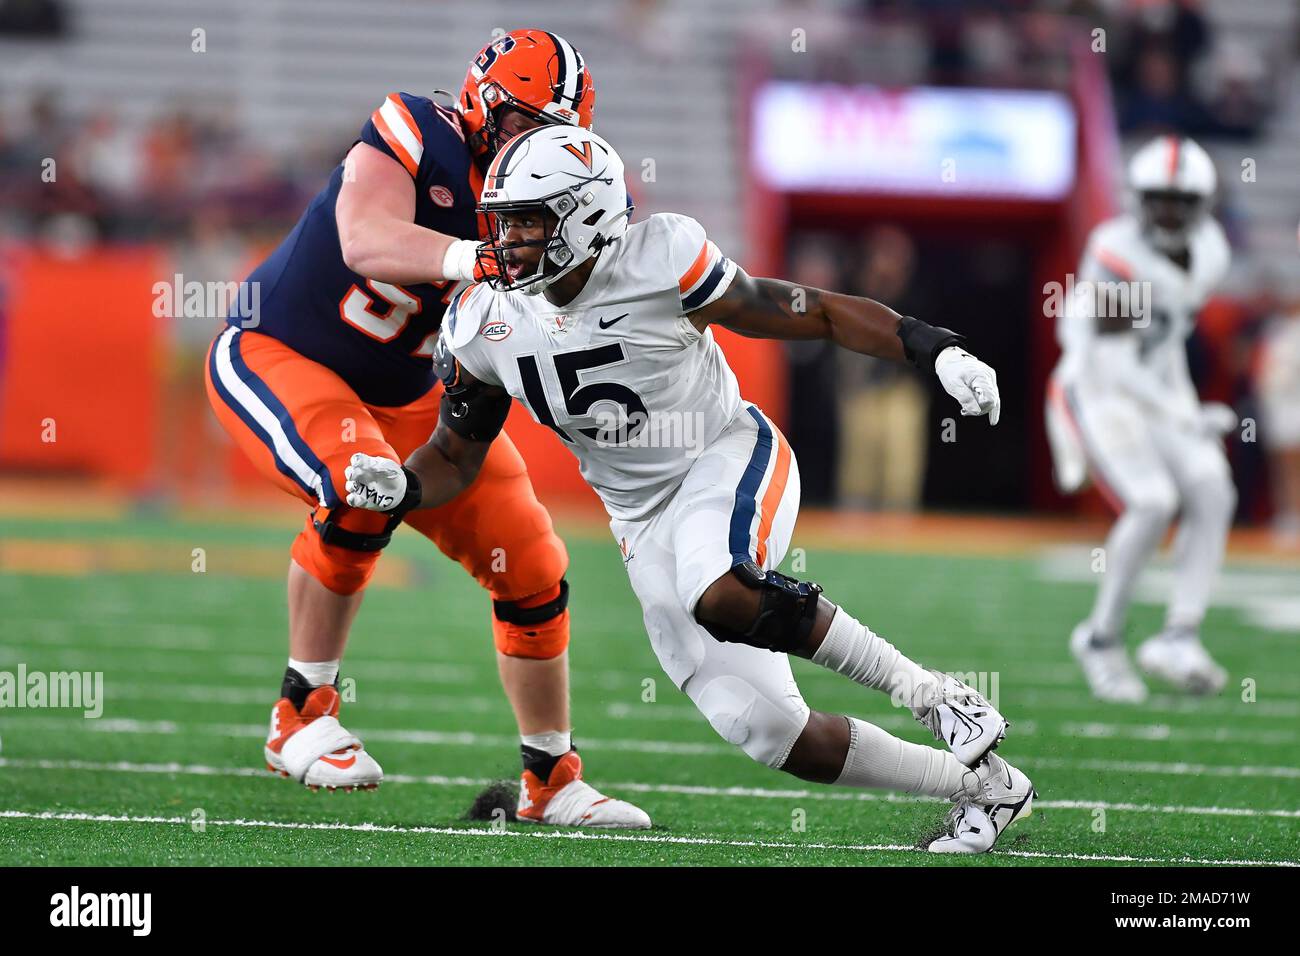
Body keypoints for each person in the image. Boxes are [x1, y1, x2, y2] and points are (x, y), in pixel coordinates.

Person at [344, 126, 1034, 854]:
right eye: (502, 220)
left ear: (585, 216)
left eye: (527, 221)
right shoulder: (484, 319)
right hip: (640, 521)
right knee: (766, 729)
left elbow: (812, 310)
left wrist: (934, 345)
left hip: (725, 452)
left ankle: (935, 696)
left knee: (719, 588)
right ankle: (987, 791)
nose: (505, 241)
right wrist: (403, 486)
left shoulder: (661, 259)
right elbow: (455, 454)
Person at [204, 30, 647, 827]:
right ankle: (299, 714)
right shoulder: (414, 129)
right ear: (481, 101)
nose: (532, 147)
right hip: (282, 350)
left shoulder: (550, 192)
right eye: (522, 126)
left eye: (552, 136)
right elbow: (365, 239)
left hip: (416, 394)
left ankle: (551, 779)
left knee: (534, 564)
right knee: (358, 482)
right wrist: (480, 257)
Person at [1047, 135, 1235, 703]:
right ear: (1138, 198)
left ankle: (1180, 634)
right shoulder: (1114, 252)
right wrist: (1188, 412)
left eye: (1182, 200)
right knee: (1153, 501)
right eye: (1160, 198)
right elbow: (1114, 361)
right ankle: (1101, 638)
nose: (1170, 211)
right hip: (1096, 387)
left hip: (1155, 384)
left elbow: (1166, 341)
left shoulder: (1212, 249)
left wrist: (1184, 407)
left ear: (1202, 204)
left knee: (1212, 488)